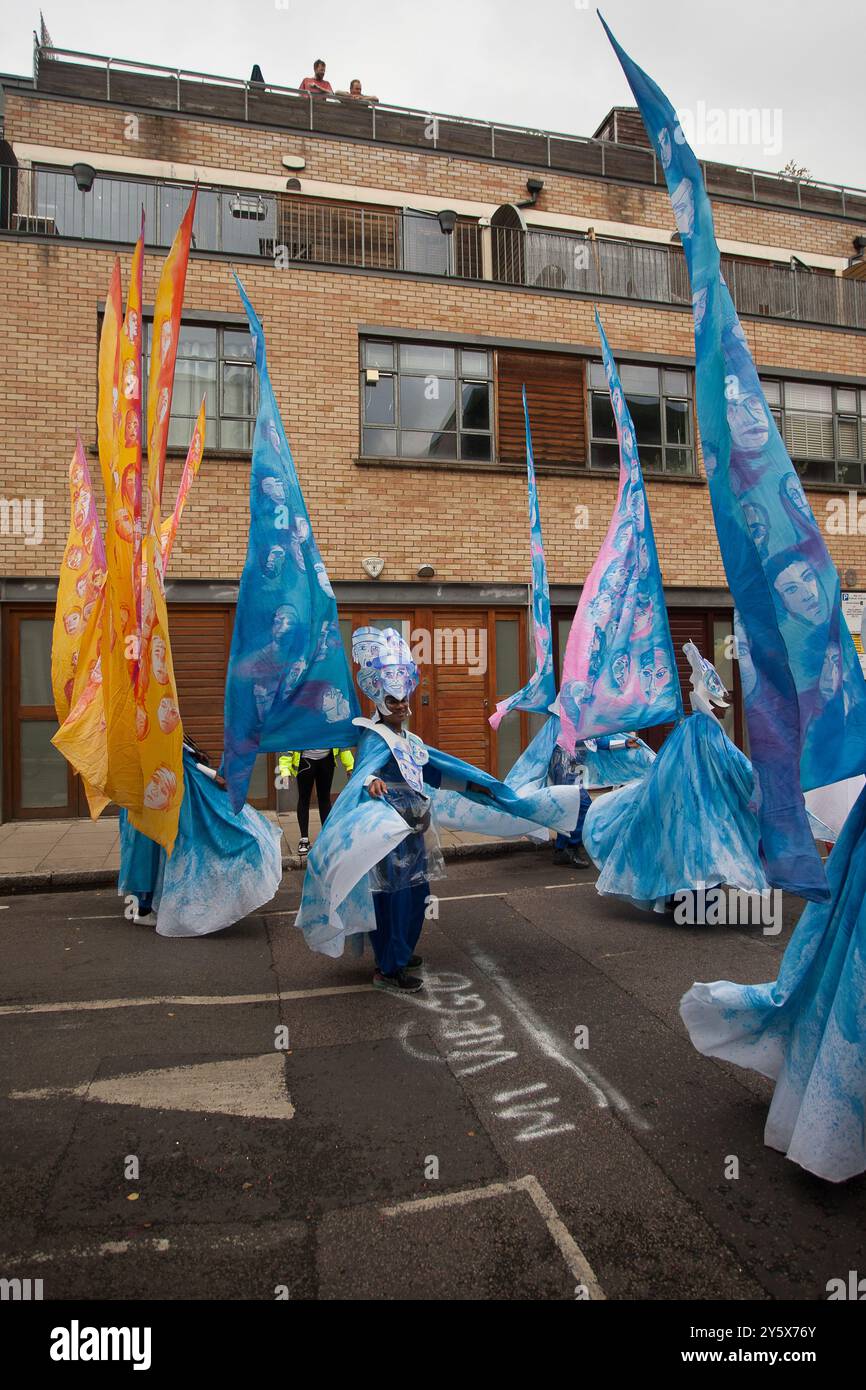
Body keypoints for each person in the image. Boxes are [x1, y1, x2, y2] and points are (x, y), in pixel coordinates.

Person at [295, 627, 589, 988]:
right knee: (393, 899)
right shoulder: (373, 736)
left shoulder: (409, 738)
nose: (402, 706)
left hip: (415, 830)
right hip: (389, 836)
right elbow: (362, 776)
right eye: (393, 700)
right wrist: (371, 784)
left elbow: (434, 771)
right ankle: (389, 966)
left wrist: (479, 787)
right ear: (379, 700)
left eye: (405, 699)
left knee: (417, 895)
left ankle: (399, 951)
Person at [118, 733, 283, 936]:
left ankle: (144, 906)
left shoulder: (142, 733)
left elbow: (183, 758)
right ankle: (144, 909)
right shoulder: (154, 732)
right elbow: (184, 762)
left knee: (147, 853)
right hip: (154, 803)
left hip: (144, 802)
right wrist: (215, 777)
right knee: (153, 852)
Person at [278, 747, 355, 856]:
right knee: (304, 799)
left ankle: (326, 837)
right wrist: (285, 769)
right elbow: (290, 742)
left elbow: (340, 741)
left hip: (326, 760)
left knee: (325, 799)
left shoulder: (332, 728)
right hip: (305, 760)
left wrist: (350, 765)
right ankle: (304, 839)